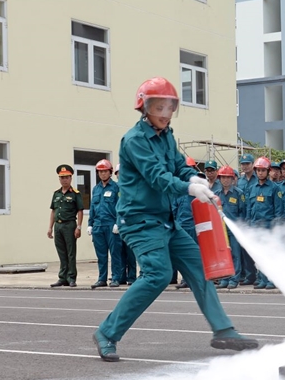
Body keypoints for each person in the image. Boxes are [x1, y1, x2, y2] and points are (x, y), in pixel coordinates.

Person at [92, 77, 257, 362]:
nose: (166, 112)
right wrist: (189, 188)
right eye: (159, 106)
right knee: (157, 274)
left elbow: (178, 165)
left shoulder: (167, 135)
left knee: (198, 267)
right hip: (140, 221)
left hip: (165, 220)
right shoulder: (134, 141)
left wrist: (193, 177)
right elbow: (157, 177)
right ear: (145, 108)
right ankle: (107, 333)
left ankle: (223, 330)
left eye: (170, 106)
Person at [246, 157, 284, 290]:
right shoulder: (252, 188)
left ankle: (271, 280)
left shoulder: (275, 188)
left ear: (268, 171)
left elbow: (279, 210)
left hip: (269, 226)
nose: (260, 173)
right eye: (258, 170)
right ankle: (262, 279)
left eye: (263, 170)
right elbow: (249, 208)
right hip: (255, 226)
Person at [87, 159, 122, 289]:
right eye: (100, 172)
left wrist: (118, 223)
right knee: (101, 255)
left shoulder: (116, 187)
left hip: (111, 225)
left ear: (110, 172)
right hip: (98, 226)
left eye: (105, 171)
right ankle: (102, 278)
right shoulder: (95, 189)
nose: (102, 174)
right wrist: (90, 224)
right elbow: (92, 207)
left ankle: (116, 278)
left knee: (115, 253)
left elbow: (121, 206)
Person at [48, 164, 84, 288]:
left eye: (67, 177)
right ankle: (62, 277)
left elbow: (80, 210)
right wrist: (50, 227)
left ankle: (72, 277)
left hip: (69, 226)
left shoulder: (75, 194)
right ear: (59, 179)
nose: (64, 180)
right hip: (58, 226)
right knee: (61, 253)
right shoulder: (56, 194)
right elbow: (53, 211)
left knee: (71, 253)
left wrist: (78, 227)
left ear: (71, 178)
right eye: (62, 177)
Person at [169, 156, 202, 289]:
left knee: (192, 255)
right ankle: (182, 279)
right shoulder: (179, 190)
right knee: (180, 256)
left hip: (193, 227)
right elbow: (174, 209)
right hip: (180, 226)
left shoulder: (197, 190)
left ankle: (191, 279)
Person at [214, 165, 246, 289]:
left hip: (234, 229)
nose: (225, 180)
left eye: (228, 177)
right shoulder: (216, 195)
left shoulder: (239, 194)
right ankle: (224, 279)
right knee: (223, 255)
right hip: (221, 230)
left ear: (233, 179)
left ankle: (234, 279)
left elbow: (243, 212)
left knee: (235, 255)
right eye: (223, 177)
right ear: (219, 179)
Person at [235, 153, 257, 286]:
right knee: (245, 249)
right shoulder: (240, 181)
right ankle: (250, 275)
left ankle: (262, 276)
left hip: (256, 217)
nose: (245, 166)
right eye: (243, 164)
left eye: (247, 164)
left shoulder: (258, 178)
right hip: (243, 218)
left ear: (252, 164)